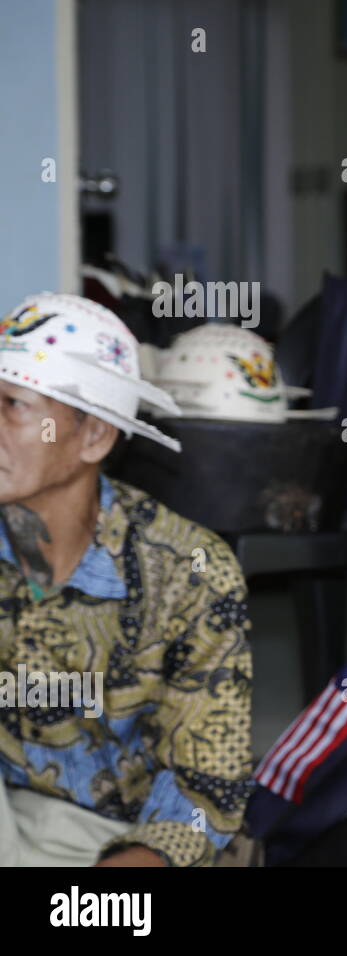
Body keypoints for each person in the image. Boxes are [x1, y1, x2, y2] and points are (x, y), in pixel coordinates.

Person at [0, 292, 253, 866]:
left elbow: (205, 786)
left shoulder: (190, 574)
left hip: (120, 840)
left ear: (94, 437)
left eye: (13, 405)